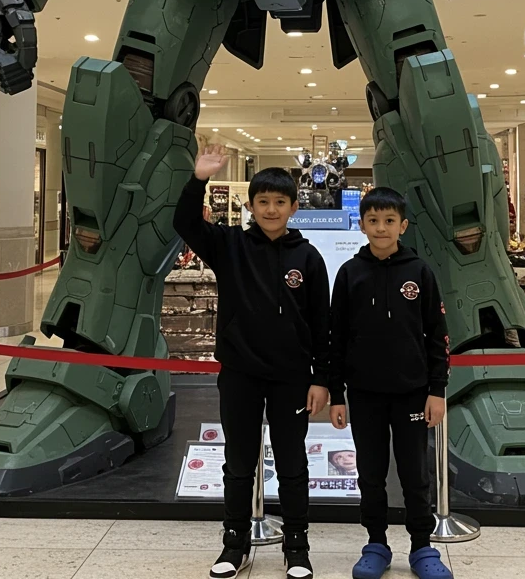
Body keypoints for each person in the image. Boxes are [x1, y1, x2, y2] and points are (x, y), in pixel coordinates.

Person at [175, 145, 331, 579]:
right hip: (240, 373)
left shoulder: (309, 258)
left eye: (280, 202)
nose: (271, 209)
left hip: (292, 379)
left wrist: (322, 379)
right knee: (239, 463)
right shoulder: (229, 246)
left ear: (294, 207)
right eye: (263, 201)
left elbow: (322, 324)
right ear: (251, 205)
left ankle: (297, 549)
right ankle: (234, 544)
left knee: (292, 463)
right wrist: (199, 178)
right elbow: (184, 223)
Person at [329, 187, 453, 579]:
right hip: (364, 394)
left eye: (388, 221)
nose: (380, 228)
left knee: (415, 474)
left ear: (402, 225)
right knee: (370, 472)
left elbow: (437, 334)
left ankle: (422, 546)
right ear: (361, 224)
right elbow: (336, 338)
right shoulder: (350, 273)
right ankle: (376, 543)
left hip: (413, 392)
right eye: (373, 220)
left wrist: (437, 389)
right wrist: (337, 394)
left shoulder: (419, 272)